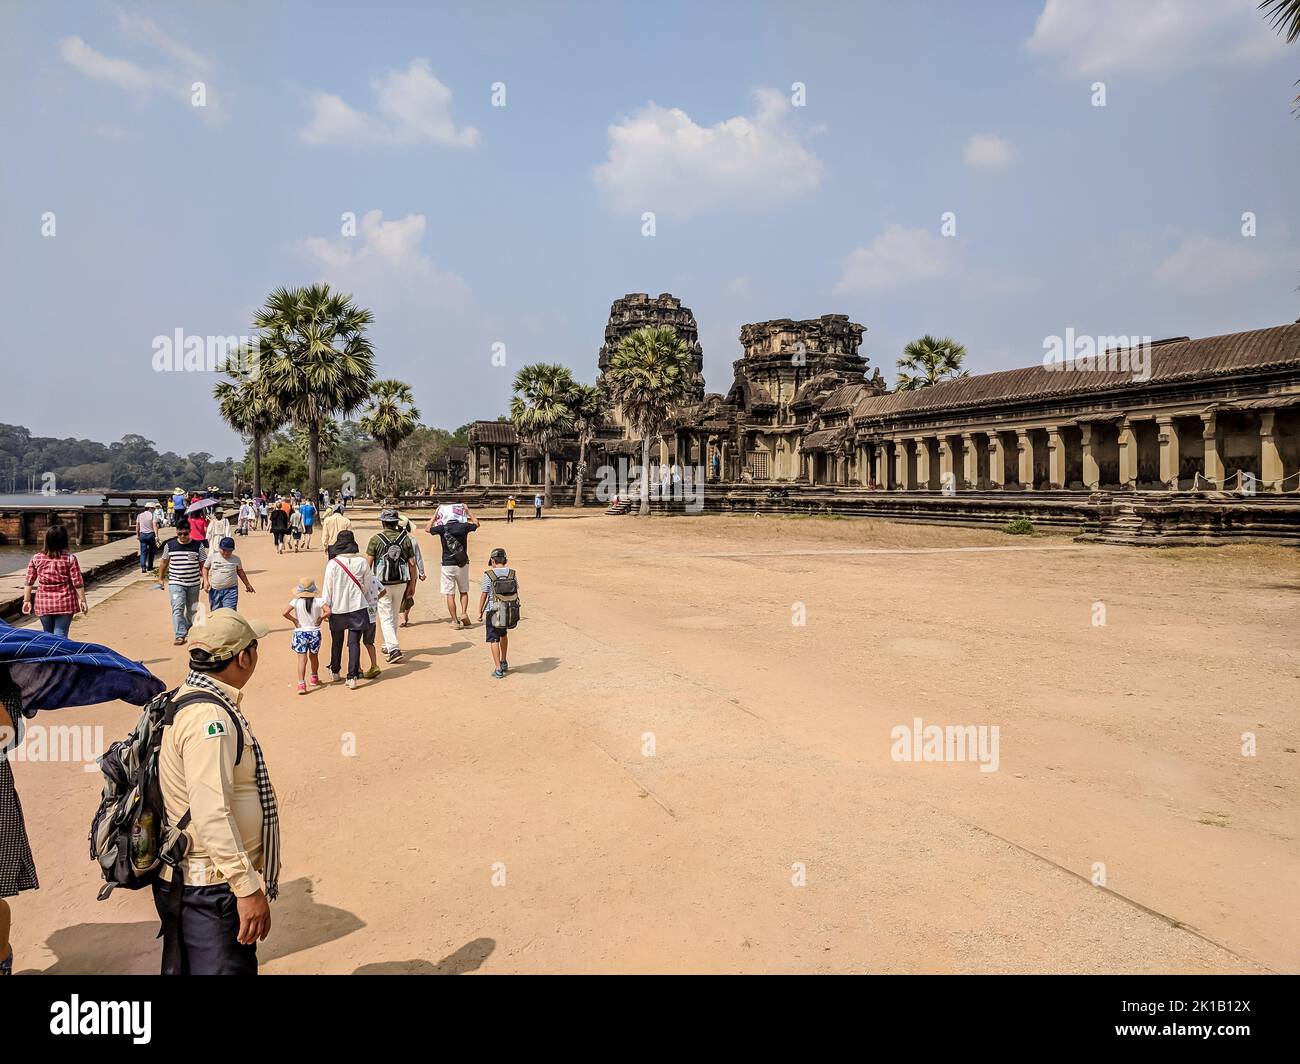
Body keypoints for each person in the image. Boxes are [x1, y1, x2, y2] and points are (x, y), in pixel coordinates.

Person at [155, 610, 279, 975]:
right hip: (209, 887)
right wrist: (246, 888)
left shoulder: (188, 697)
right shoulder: (212, 720)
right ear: (244, 657)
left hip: (197, 880)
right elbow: (211, 810)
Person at [321, 531, 383, 688]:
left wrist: (326, 605)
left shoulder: (333, 563)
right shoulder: (361, 562)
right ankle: (352, 676)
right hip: (358, 607)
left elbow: (327, 588)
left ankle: (335, 671)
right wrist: (358, 594)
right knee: (354, 642)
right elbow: (368, 585)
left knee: (337, 641)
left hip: (337, 608)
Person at [366, 510, 416, 663]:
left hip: (382, 583)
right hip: (401, 581)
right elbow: (412, 563)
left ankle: (394, 649)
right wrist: (412, 583)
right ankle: (388, 645)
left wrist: (367, 585)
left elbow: (368, 565)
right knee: (394, 613)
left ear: (383, 522)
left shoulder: (375, 540)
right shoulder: (405, 539)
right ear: (396, 522)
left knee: (385, 616)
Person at [21, 525, 86, 639]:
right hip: (65, 601)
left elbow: (29, 581)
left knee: (47, 634)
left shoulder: (36, 558)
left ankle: (49, 656)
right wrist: (82, 600)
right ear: (64, 540)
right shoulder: (70, 558)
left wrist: (26, 600)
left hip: (43, 602)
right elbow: (77, 582)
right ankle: (60, 655)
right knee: (61, 635)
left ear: (46, 540)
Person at [426, 508, 478, 629]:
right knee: (463, 591)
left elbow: (428, 529)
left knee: (450, 594)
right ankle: (464, 613)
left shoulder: (442, 528)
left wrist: (435, 515)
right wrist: (468, 510)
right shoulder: (464, 526)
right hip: (462, 563)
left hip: (448, 564)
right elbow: (477, 524)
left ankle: (455, 621)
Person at [160, 519, 207, 645]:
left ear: (190, 532)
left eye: (185, 533)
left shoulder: (198, 546)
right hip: (176, 582)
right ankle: (180, 634)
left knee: (192, 609)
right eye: (180, 534)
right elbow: (164, 562)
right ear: (176, 532)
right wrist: (160, 578)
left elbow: (203, 564)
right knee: (178, 608)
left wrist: (206, 579)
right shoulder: (169, 545)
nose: (182, 536)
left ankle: (189, 628)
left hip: (193, 583)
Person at [477, 547, 519, 679]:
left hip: (493, 610)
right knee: (503, 634)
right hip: (507, 609)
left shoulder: (489, 574)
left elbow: (484, 594)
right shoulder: (512, 573)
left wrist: (479, 611)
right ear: (505, 560)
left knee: (493, 638)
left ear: (493, 561)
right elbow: (516, 589)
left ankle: (498, 668)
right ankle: (504, 661)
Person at [282, 579, 323, 695]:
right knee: (314, 656)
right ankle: (314, 677)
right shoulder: (318, 601)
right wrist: (321, 617)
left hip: (300, 632)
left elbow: (284, 613)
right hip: (314, 632)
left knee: (302, 659)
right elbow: (328, 610)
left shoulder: (295, 602)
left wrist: (294, 620)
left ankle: (301, 683)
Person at [203, 537, 255, 612]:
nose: (226, 553)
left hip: (231, 590)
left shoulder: (236, 559)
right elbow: (205, 568)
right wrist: (206, 581)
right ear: (219, 548)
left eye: (229, 551)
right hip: (215, 590)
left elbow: (240, 572)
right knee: (216, 613)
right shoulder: (212, 557)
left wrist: (247, 584)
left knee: (230, 612)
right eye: (224, 550)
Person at [396, 514, 426, 627]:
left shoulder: (393, 540)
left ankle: (402, 616)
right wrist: (422, 572)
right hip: (411, 572)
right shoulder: (412, 540)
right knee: (409, 594)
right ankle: (405, 616)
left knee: (399, 595)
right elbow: (418, 558)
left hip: (398, 572)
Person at [136, 504, 158, 573]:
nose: (154, 510)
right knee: (151, 551)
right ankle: (150, 566)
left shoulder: (139, 515)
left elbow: (137, 526)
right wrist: (156, 535)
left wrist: (137, 534)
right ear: (150, 508)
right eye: (153, 508)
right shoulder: (152, 515)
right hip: (150, 534)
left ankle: (143, 567)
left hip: (142, 535)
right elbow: (154, 525)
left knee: (143, 551)